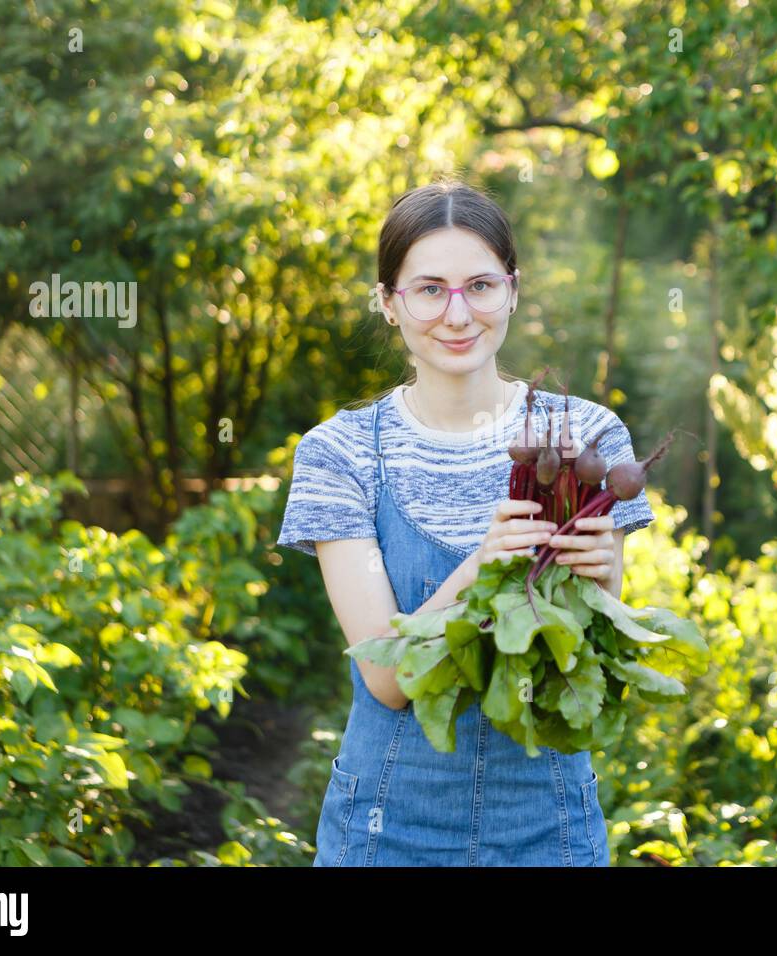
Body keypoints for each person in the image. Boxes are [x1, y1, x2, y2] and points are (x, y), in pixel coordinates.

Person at [276, 178, 654, 866]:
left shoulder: (585, 438)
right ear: (390, 304)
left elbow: (583, 662)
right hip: (388, 833)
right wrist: (485, 561)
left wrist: (600, 587)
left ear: (512, 289)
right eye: (429, 289)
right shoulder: (340, 453)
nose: (457, 314)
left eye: (480, 286)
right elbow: (388, 680)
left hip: (548, 833)